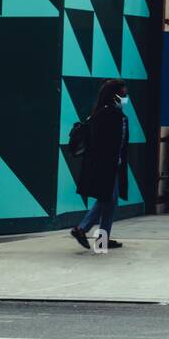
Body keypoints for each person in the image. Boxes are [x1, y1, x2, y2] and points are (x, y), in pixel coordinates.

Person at [70, 80, 130, 251]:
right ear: (115, 95)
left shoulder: (114, 115)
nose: (125, 98)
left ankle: (103, 240)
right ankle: (82, 228)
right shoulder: (106, 115)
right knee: (107, 199)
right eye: (123, 95)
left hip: (113, 166)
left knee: (110, 202)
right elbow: (102, 144)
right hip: (105, 167)